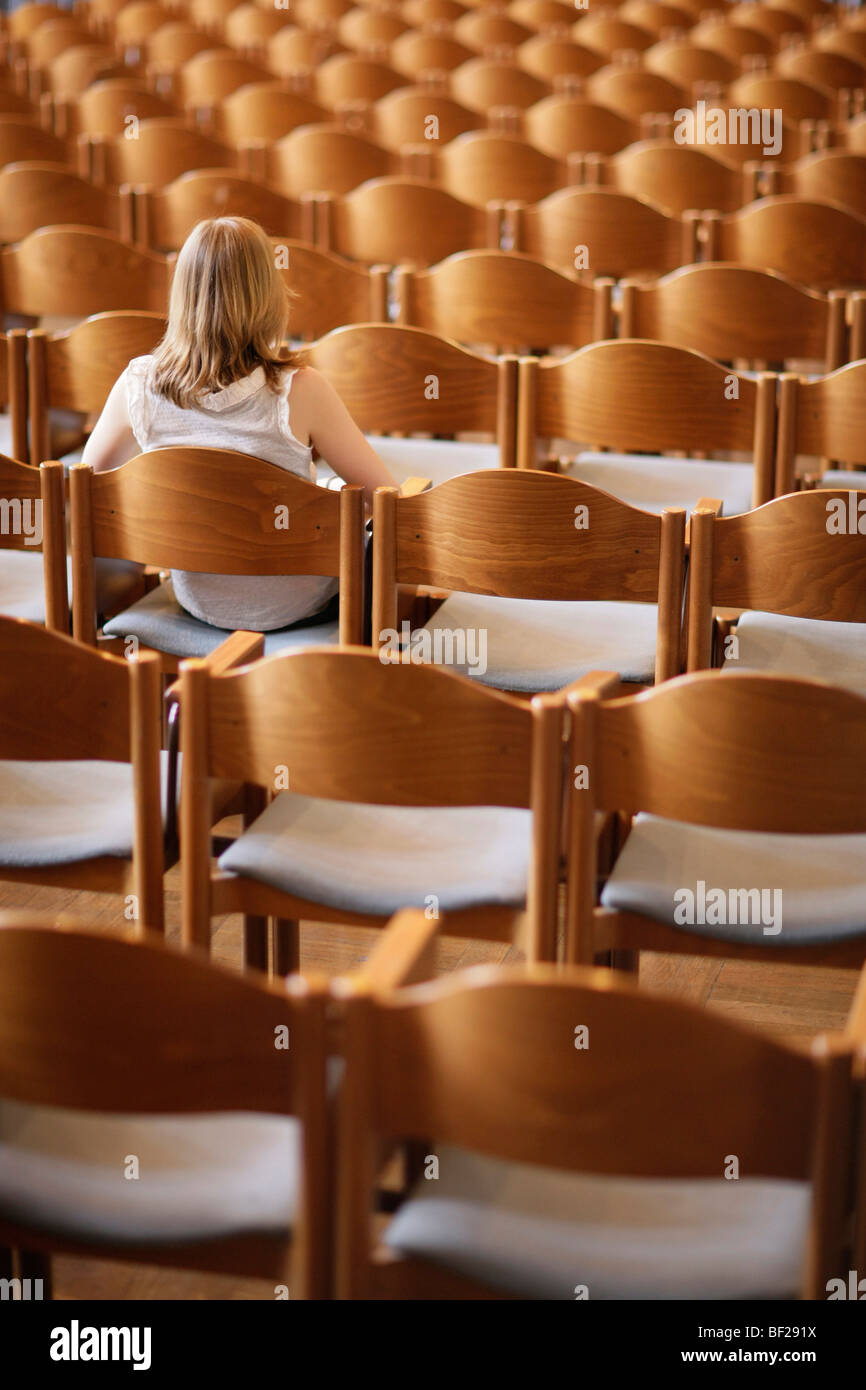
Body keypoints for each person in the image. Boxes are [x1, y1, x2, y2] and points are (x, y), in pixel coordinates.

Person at [82, 216, 396, 632]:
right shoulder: (299, 390)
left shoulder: (138, 385)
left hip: (197, 598)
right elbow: (386, 499)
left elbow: (87, 488)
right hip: (299, 606)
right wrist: (322, 503)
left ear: (181, 293)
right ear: (269, 294)